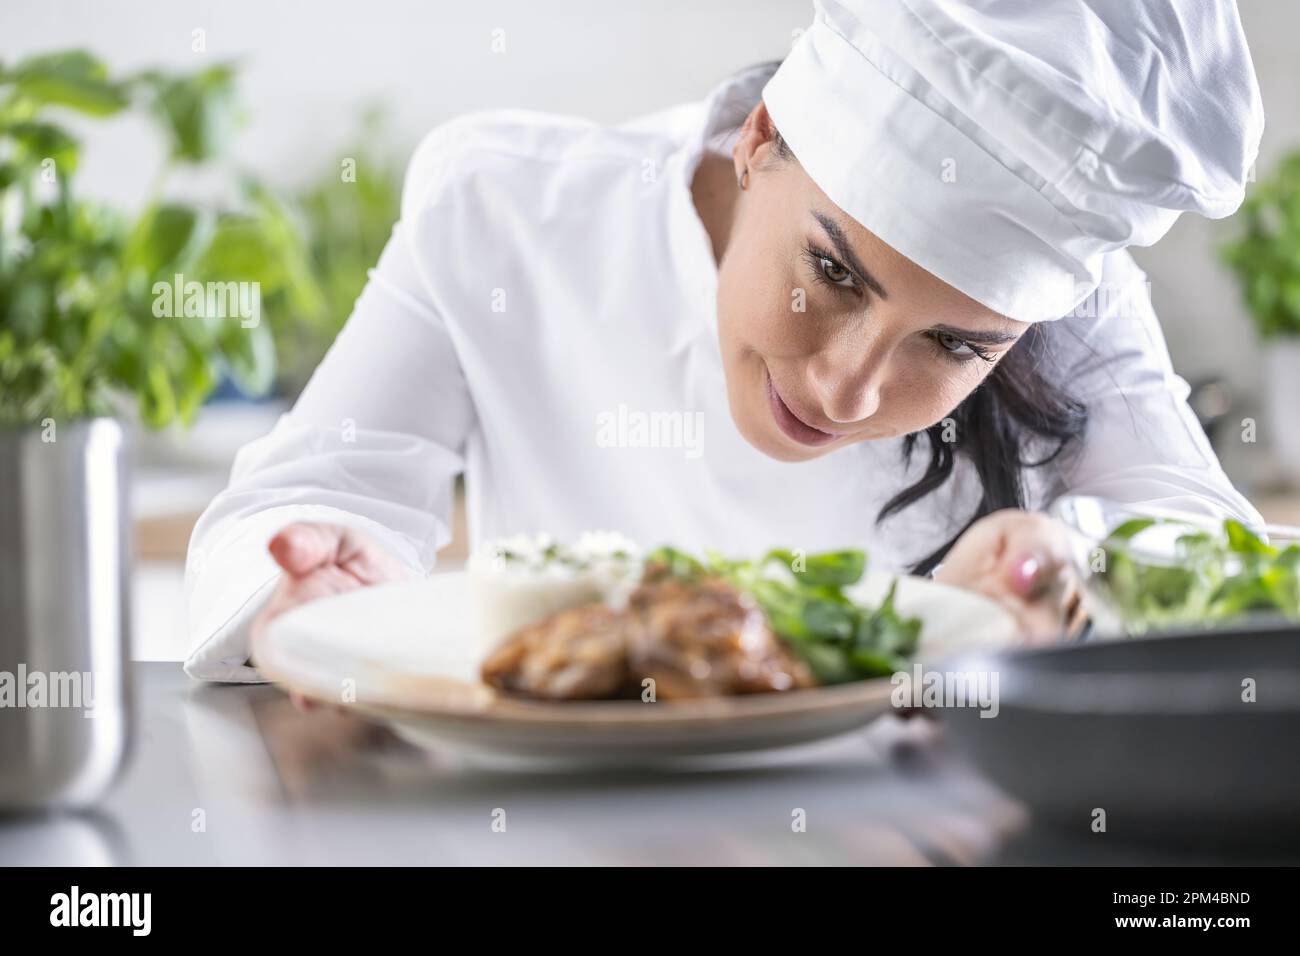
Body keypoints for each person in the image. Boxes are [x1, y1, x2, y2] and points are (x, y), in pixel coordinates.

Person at [184, 0, 1264, 682]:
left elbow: (1204, 549)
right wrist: (310, 580)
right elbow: (306, 494)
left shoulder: (1083, 309)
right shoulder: (506, 211)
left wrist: (1068, 560)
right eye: (831, 273)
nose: (848, 387)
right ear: (758, 139)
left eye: (953, 345)